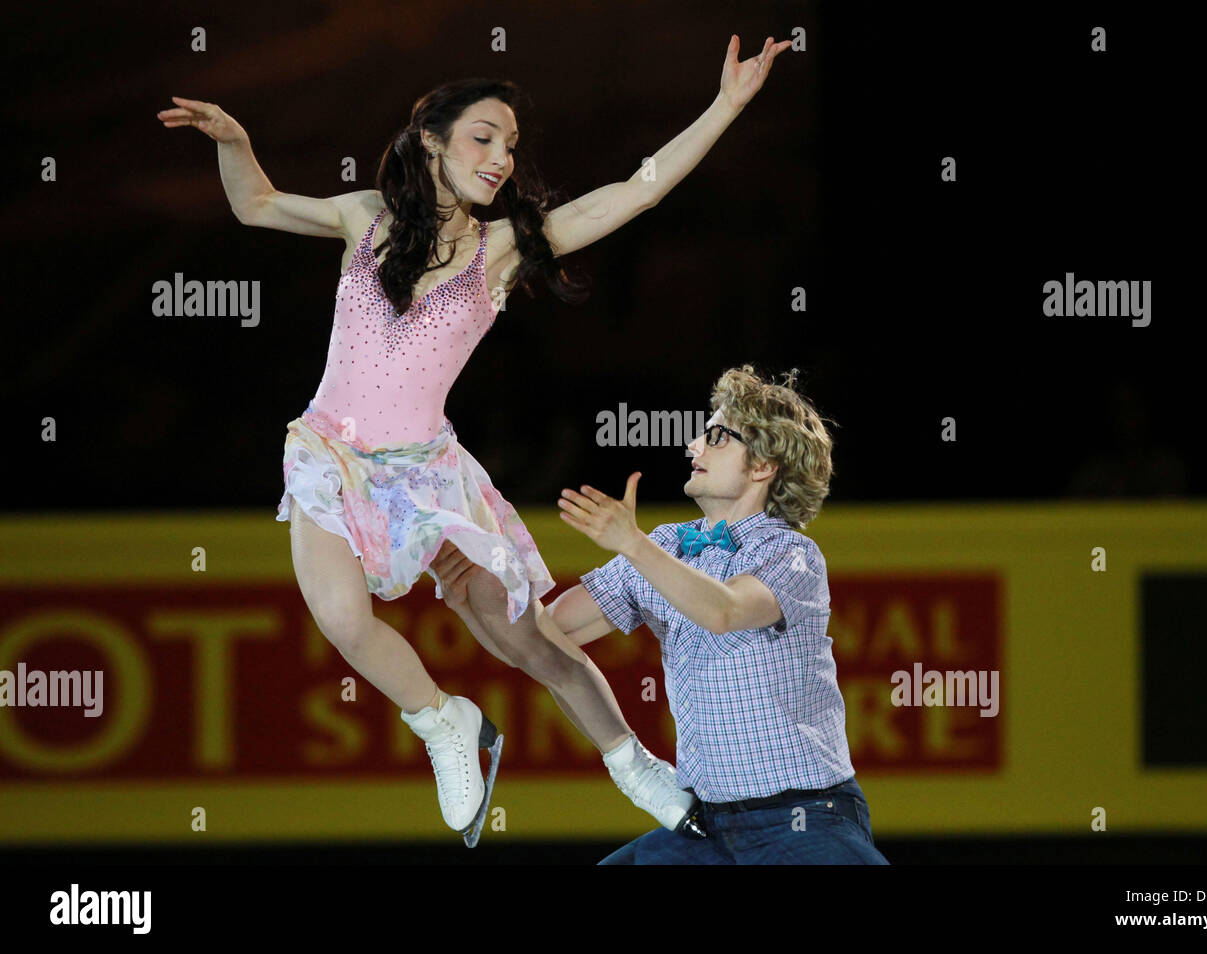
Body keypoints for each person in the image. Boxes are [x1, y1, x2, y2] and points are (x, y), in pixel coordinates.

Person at [156, 35, 791, 848]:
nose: (500, 157)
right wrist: (237, 145)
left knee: (529, 640)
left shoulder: (500, 251)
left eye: (511, 146)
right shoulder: (363, 217)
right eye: (484, 137)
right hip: (328, 459)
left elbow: (638, 191)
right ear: (431, 140)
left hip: (428, 479)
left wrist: (726, 106)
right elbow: (257, 205)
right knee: (345, 623)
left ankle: (634, 766)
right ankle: (447, 723)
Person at [437, 366, 889, 863]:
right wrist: (471, 596)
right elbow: (540, 639)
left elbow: (724, 609)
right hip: (705, 827)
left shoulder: (791, 554)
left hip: (804, 821)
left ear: (763, 465)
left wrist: (631, 544)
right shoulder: (668, 544)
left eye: (717, 436)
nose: (693, 446)